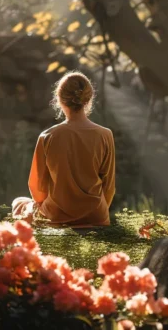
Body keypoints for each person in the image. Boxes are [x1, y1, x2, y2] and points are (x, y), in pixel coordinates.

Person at [12, 71, 115, 227]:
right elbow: (108, 188)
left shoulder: (48, 136)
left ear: (59, 100)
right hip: (96, 216)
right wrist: (93, 212)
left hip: (56, 216)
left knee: (19, 203)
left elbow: (37, 188)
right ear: (88, 100)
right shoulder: (105, 135)